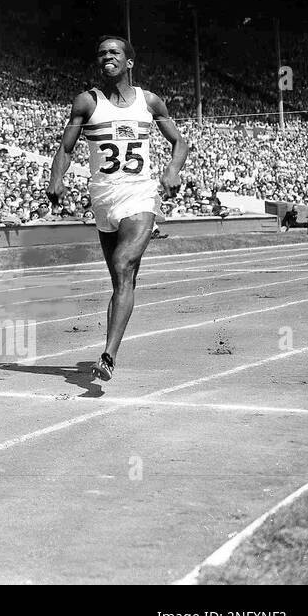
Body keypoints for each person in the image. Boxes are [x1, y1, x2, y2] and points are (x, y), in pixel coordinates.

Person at [47, 37, 189, 381]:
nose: (107, 56)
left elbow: (180, 142)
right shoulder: (86, 101)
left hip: (139, 194)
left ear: (129, 62)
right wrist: (56, 178)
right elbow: (66, 148)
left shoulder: (149, 101)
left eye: (114, 52)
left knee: (123, 265)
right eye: (101, 53)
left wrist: (172, 170)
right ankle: (110, 350)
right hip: (103, 198)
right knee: (121, 279)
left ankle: (108, 356)